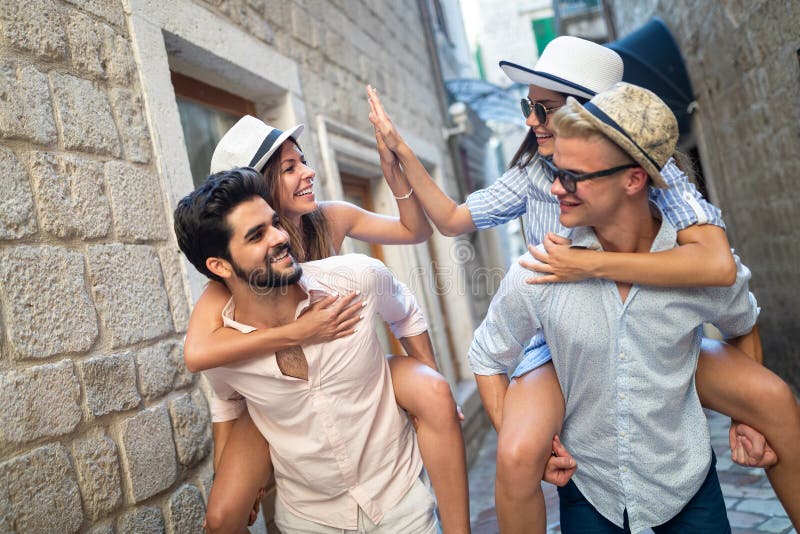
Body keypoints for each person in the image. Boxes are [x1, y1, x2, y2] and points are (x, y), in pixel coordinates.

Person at [367, 35, 800, 531]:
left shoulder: (664, 182)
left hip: (653, 328)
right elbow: (451, 219)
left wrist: (593, 266)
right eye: (528, 106)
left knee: (772, 401)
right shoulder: (534, 179)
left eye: (543, 108)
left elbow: (720, 272)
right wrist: (400, 153)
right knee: (518, 453)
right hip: (558, 336)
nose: (531, 120)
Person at [470, 82, 756, 532]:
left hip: (687, 488)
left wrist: (747, 414)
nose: (556, 189)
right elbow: (488, 355)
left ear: (633, 179)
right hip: (590, 492)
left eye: (572, 176)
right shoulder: (541, 269)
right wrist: (527, 440)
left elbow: (743, 322)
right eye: (555, 171)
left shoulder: (697, 270)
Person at [185, 116, 470, 533]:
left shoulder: (333, 230)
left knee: (429, 391)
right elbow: (206, 365)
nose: (308, 172)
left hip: (349, 364)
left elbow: (414, 234)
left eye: (302, 161)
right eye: (289, 168)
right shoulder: (227, 289)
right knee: (233, 507)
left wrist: (396, 177)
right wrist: (298, 332)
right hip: (275, 394)